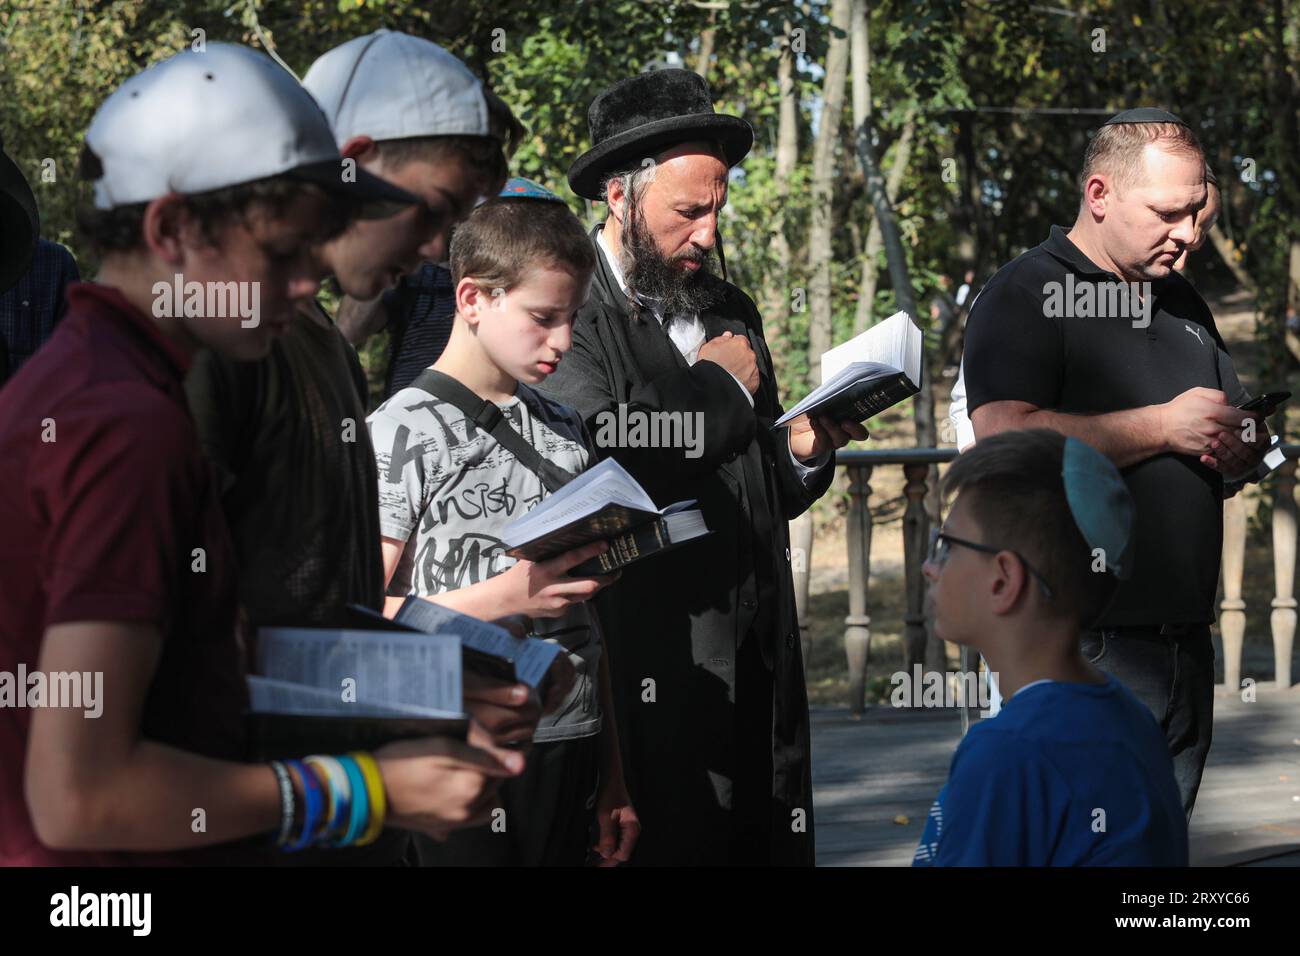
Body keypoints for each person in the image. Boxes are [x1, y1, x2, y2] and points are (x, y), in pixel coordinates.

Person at [0, 44, 518, 865]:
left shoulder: (95, 382)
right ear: (170, 228)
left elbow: (207, 659)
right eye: (281, 254)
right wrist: (367, 788)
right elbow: (81, 799)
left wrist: (409, 686)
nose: (309, 282)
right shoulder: (126, 424)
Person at [538, 69, 867, 866]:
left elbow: (760, 476)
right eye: (689, 212)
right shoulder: (569, 309)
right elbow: (600, 452)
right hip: (655, 674)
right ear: (619, 197)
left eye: (718, 208)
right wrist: (718, 385)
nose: (709, 234)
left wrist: (808, 450)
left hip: (761, 666)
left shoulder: (728, 307)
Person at [954, 108, 1270, 815]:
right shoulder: (1025, 295)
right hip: (1079, 650)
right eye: (1167, 213)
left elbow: (1232, 426)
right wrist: (1163, 426)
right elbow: (1006, 441)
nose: (1187, 234)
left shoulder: (1182, 298)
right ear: (1100, 195)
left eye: (1195, 213)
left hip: (1183, 645)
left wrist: (1242, 442)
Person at [367, 181, 638, 866]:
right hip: (456, 746)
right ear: (472, 299)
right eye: (544, 316)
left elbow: (589, 617)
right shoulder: (400, 431)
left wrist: (612, 775)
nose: (564, 340)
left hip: (571, 740)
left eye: (573, 316)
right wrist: (505, 600)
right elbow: (360, 613)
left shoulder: (564, 425)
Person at [913, 429, 1188, 866]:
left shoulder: (1008, 755)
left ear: (1002, 579)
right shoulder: (1129, 717)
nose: (930, 567)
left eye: (946, 546)